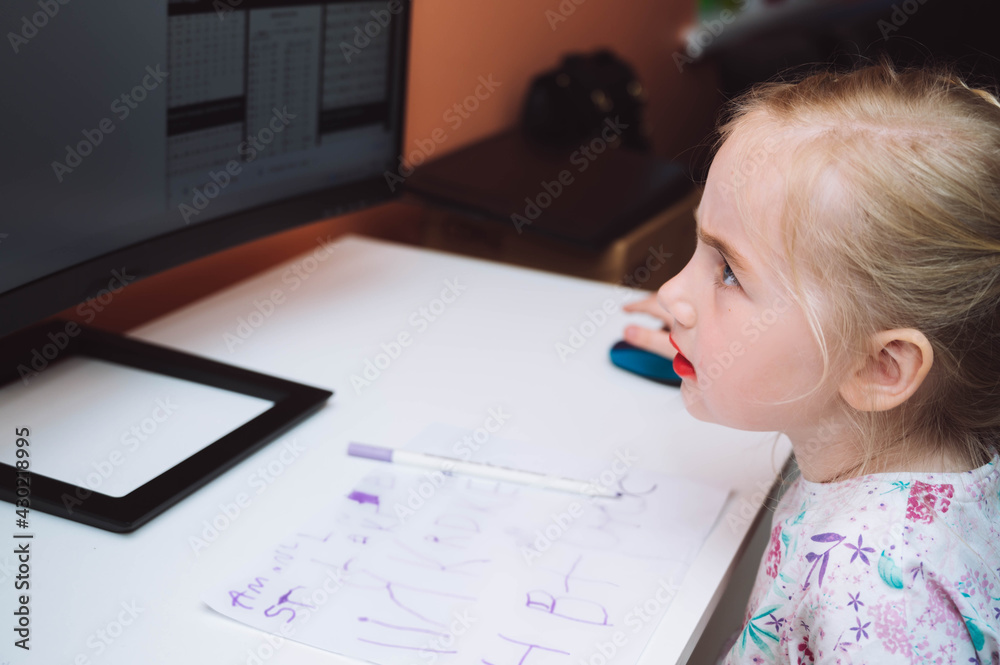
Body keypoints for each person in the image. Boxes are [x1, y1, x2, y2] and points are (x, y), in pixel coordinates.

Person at [626, 58, 1000, 662]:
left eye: (728, 272)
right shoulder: (929, 458)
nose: (672, 293)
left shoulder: (876, 596)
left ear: (879, 369)